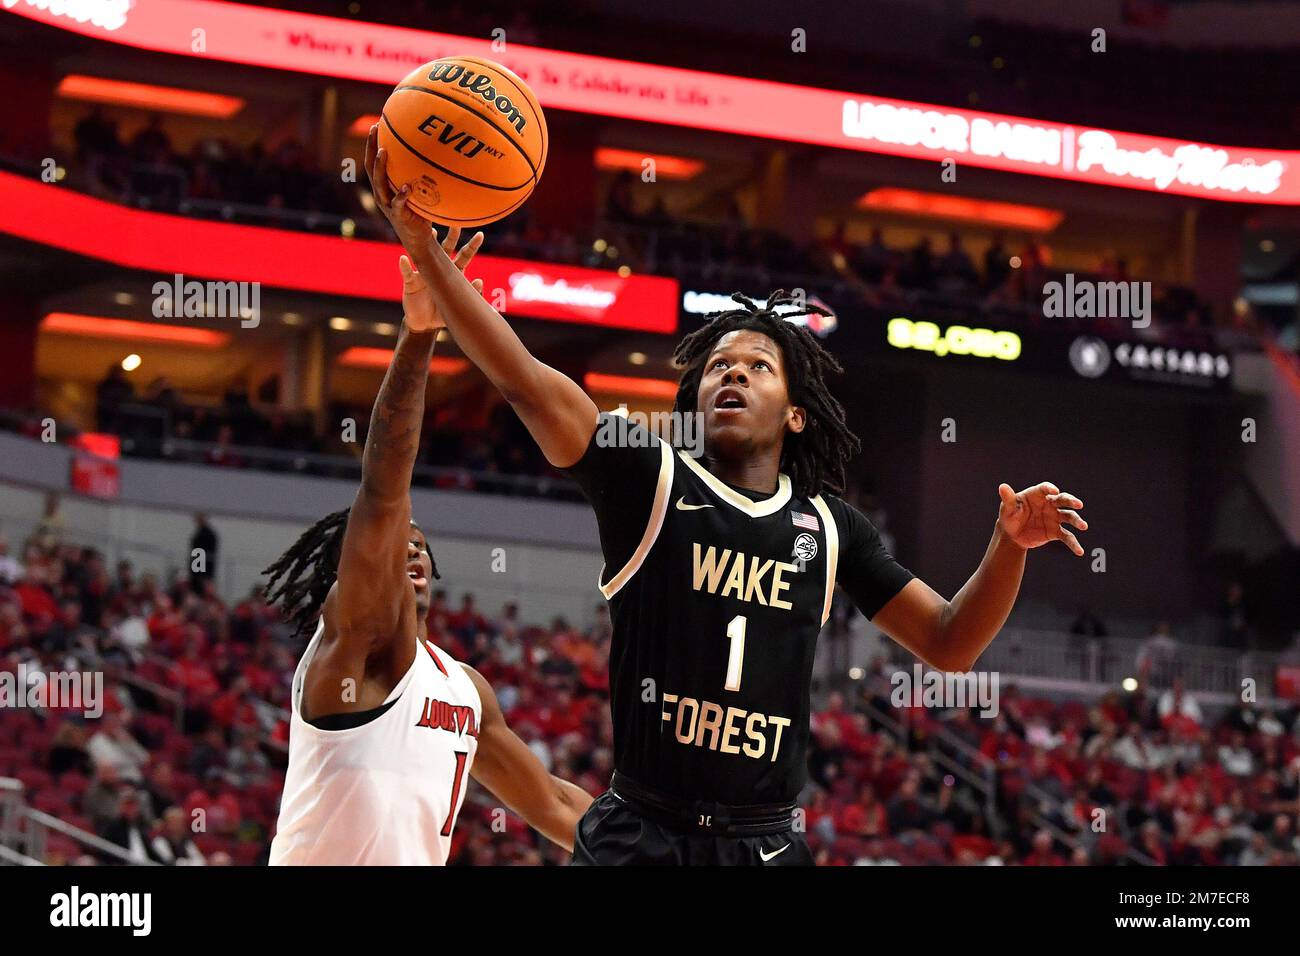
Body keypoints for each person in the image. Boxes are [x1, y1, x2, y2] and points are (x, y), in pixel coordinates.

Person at [365, 127, 1089, 866]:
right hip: (641, 832)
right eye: (717, 367)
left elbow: (949, 642)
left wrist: (1007, 548)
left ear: (796, 411)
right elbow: (525, 379)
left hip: (764, 843)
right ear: (694, 394)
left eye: (757, 366)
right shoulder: (647, 477)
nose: (733, 375)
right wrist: (427, 256)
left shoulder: (831, 529)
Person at [265, 227, 591, 865]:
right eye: (394, 547)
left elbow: (554, 805)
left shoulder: (464, 689)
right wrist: (418, 337)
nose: (410, 551)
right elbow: (385, 490)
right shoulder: (349, 654)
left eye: (420, 545)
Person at [189, 513, 219, 596]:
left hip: (203, 566)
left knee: (201, 589)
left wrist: (201, 571)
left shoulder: (208, 534)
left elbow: (206, 553)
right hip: (198, 565)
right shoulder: (200, 533)